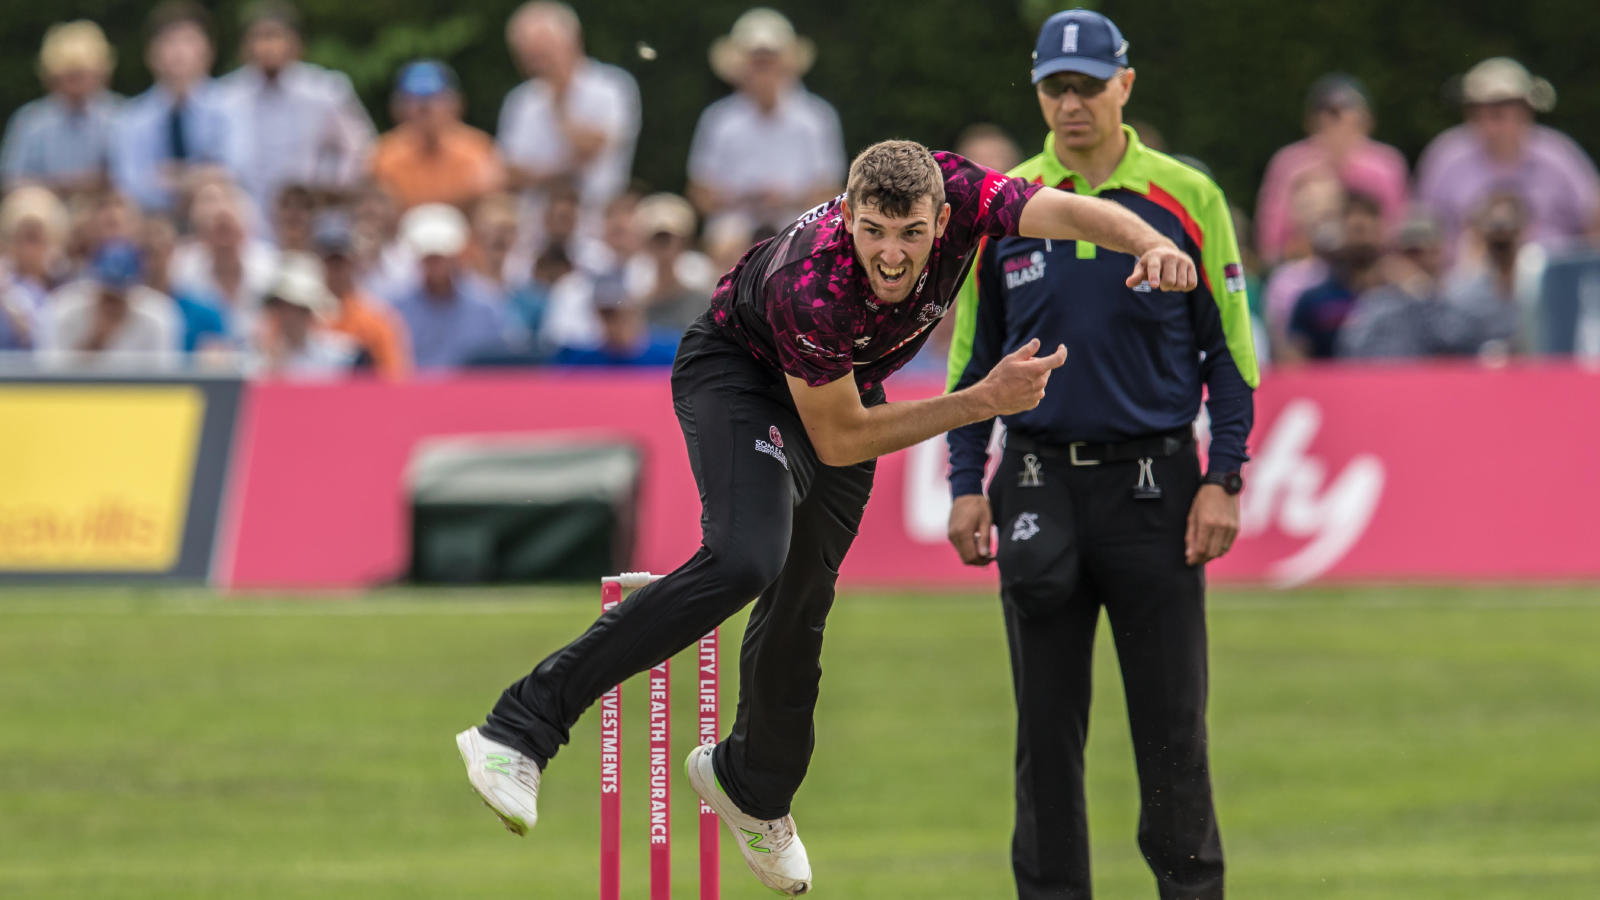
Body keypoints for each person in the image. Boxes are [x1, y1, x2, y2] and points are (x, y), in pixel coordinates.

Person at [454, 134, 1198, 897]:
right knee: (747, 557)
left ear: (943, 219)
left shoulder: (967, 193)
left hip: (847, 386)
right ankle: (517, 729)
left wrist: (1150, 239)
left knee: (803, 601)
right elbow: (840, 438)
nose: (893, 256)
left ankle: (751, 788)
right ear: (848, 214)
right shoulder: (815, 282)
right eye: (874, 231)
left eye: (911, 235)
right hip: (742, 379)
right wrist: (984, 401)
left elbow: (1068, 211)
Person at [943, 12, 1254, 899]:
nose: (1071, 103)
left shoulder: (1186, 196)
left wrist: (1225, 476)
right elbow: (974, 361)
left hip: (1157, 485)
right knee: (1044, 735)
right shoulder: (1005, 203)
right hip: (1037, 481)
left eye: (1088, 84)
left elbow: (1231, 356)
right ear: (1039, 92)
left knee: (1172, 730)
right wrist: (968, 484)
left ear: (1125, 83)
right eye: (1055, 87)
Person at [1416, 57, 1600, 256]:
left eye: (1497, 115)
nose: (1487, 125)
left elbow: (1593, 219)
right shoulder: (1445, 157)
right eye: (1476, 114)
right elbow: (1423, 232)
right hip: (1463, 281)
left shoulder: (1559, 156)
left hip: (1553, 278)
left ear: (1525, 113)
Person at [686, 8, 845, 234]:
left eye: (769, 62)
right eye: (757, 62)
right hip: (735, 225)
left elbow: (830, 192)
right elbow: (699, 194)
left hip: (798, 222)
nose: (763, 71)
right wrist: (744, 199)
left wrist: (787, 200)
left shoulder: (816, 118)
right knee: (727, 239)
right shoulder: (719, 119)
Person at [497, 1, 640, 247]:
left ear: (572, 42)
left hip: (598, 228)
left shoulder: (611, 87)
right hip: (535, 233)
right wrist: (562, 171)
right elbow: (509, 174)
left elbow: (590, 148)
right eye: (528, 57)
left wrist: (559, 103)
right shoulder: (520, 101)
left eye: (543, 54)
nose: (536, 64)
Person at [1255, 74, 1408, 266]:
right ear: (1311, 122)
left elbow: (1396, 228)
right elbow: (1271, 239)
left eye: (1344, 116)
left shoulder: (1386, 164)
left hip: (1372, 269)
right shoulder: (1290, 163)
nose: (1336, 125)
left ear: (1367, 121)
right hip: (1302, 265)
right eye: (1328, 116)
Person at [111, 2, 233, 214]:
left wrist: (173, 178)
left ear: (209, 51)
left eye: (188, 41)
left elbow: (235, 170)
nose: (179, 52)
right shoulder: (132, 117)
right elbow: (130, 183)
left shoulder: (230, 106)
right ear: (151, 54)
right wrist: (198, 177)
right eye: (169, 42)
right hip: (153, 225)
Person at [386, 203, 525, 370]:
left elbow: (502, 363)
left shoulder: (487, 306)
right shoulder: (395, 310)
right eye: (429, 258)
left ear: (455, 257)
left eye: (441, 258)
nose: (435, 265)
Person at [1, 20, 121, 195]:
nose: (76, 85)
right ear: (51, 78)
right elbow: (10, 180)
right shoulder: (30, 120)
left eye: (81, 75)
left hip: (104, 209)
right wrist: (60, 186)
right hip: (48, 210)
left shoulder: (122, 117)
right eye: (69, 77)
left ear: (101, 74)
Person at [370, 60, 505, 211]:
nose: (426, 110)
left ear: (457, 104)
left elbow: (493, 207)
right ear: (397, 108)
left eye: (435, 99)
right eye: (414, 101)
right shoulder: (384, 154)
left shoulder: (478, 150)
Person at [35, 240, 179, 369]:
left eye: (120, 295)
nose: (112, 303)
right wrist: (94, 341)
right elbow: (49, 376)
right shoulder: (64, 310)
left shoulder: (157, 316)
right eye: (107, 295)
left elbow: (164, 382)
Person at [311, 213, 411, 379]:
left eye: (341, 262)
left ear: (353, 263)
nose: (335, 271)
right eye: (329, 262)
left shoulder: (376, 320)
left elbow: (394, 378)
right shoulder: (301, 314)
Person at [1287, 192, 1385, 360]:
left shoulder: (1403, 294)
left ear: (1380, 232)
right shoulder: (1313, 300)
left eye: (1364, 230)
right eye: (1354, 230)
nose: (1360, 240)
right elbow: (1295, 361)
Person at [251, 251, 355, 377]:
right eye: (280, 306)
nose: (287, 315)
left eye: (295, 308)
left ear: (307, 311)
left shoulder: (337, 355)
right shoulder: (261, 355)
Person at [551, 273, 678, 366]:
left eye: (618, 313)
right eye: (606, 315)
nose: (614, 322)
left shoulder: (668, 355)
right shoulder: (583, 362)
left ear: (634, 311)